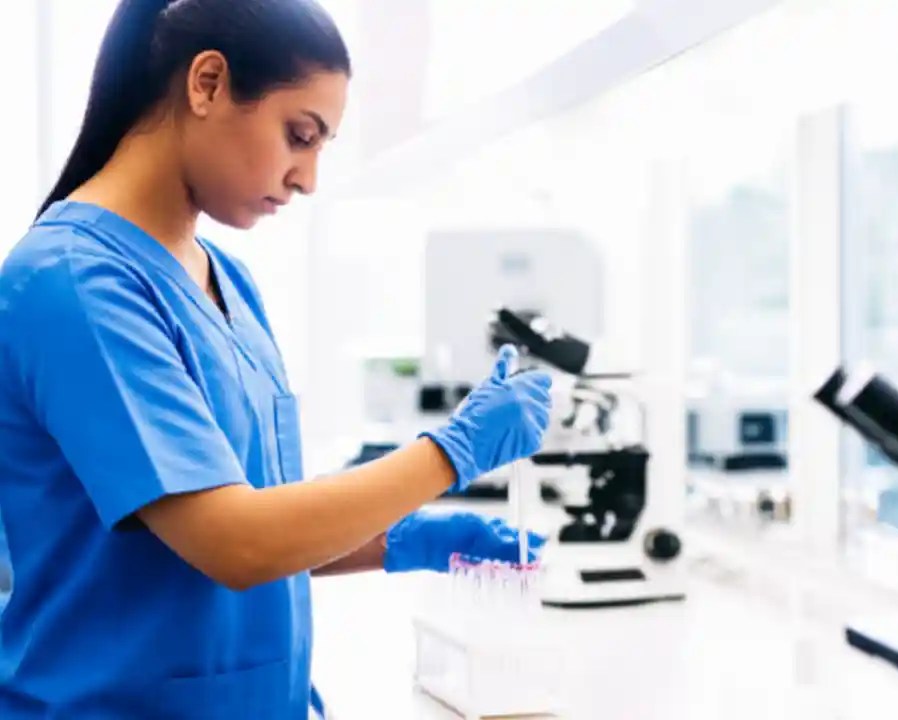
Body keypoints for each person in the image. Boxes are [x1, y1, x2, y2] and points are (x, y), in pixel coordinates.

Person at [0, 1, 553, 717]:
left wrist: (399, 540)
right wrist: (448, 454)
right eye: (300, 135)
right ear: (206, 84)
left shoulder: (227, 280)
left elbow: (246, 515)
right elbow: (235, 544)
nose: (308, 178)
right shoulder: (73, 282)